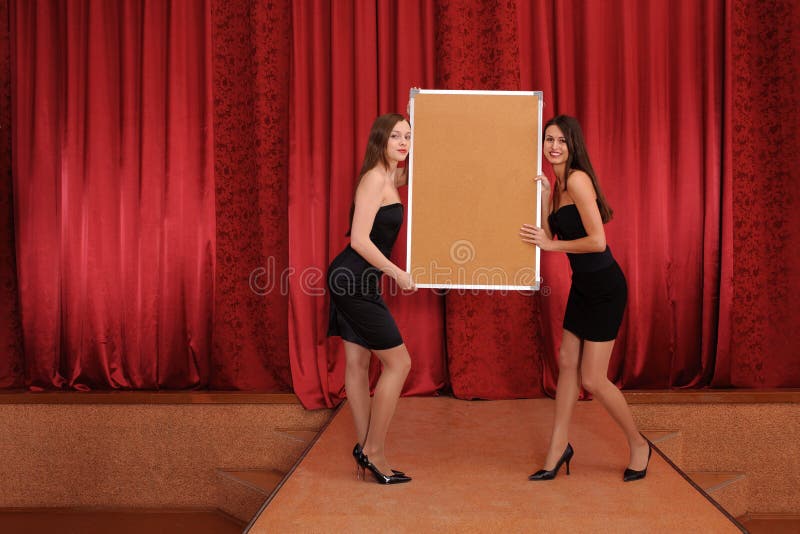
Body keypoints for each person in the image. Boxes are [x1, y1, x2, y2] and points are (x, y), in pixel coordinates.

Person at [519, 115, 652, 482]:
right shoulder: (560, 184)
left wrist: (551, 245)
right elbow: (548, 233)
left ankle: (639, 444)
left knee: (592, 379)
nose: (554, 146)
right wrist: (545, 196)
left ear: (573, 144)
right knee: (566, 362)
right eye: (549, 140)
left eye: (561, 140)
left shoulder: (578, 180)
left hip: (606, 287)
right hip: (584, 285)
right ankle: (558, 447)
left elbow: (597, 241)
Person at [327, 113, 416, 485]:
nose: (403, 142)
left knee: (358, 363)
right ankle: (375, 451)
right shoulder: (375, 178)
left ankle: (365, 447)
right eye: (395, 136)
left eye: (408, 136)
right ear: (380, 139)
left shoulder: (394, 176)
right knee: (400, 363)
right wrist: (397, 273)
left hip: (359, 279)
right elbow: (360, 240)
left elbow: (429, 170)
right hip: (352, 280)